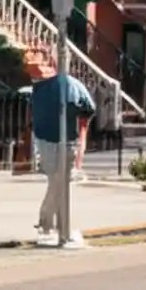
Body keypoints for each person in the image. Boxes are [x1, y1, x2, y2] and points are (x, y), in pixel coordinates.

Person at [29, 66, 95, 246]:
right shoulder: (73, 85)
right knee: (60, 183)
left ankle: (58, 226)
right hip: (66, 140)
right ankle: (50, 224)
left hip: (44, 140)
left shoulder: (39, 89)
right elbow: (88, 107)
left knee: (57, 182)